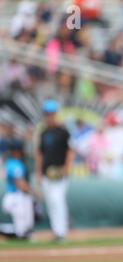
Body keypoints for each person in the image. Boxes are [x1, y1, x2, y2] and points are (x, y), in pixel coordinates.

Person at [35, 100, 75, 241]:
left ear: (56, 114)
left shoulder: (63, 131)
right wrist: (38, 173)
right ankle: (57, 232)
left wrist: (67, 168)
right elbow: (39, 153)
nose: (49, 116)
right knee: (51, 203)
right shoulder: (44, 132)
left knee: (58, 200)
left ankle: (62, 231)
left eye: (51, 114)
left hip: (59, 173)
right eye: (47, 114)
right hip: (46, 173)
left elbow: (71, 151)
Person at [0, 140, 34, 240]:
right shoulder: (15, 164)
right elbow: (19, 183)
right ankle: (17, 232)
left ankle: (19, 233)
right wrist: (33, 192)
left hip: (14, 196)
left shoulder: (11, 162)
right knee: (22, 224)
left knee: (24, 223)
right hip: (15, 196)